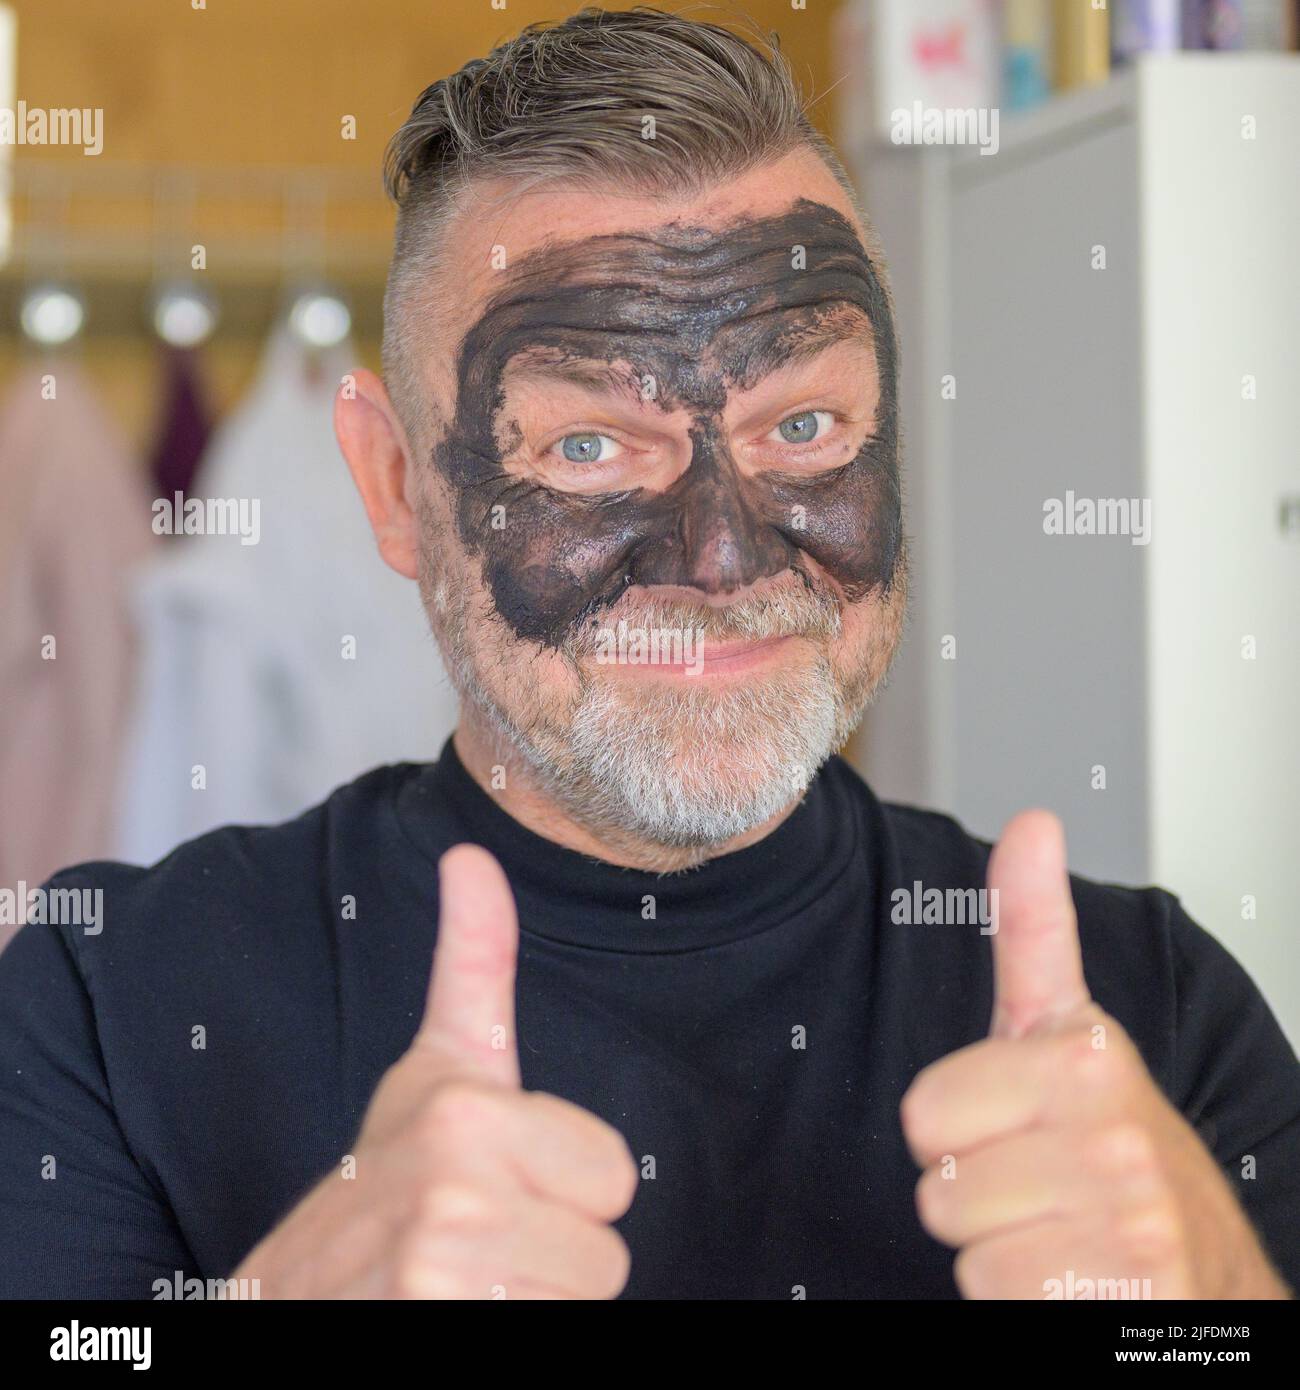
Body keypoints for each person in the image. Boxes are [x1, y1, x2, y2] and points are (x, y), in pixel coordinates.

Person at [1, 7, 1296, 1301]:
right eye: (587, 447)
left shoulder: (1157, 1025)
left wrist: (1221, 1311)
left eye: (803, 421)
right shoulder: (102, 1008)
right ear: (394, 487)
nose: (722, 558)